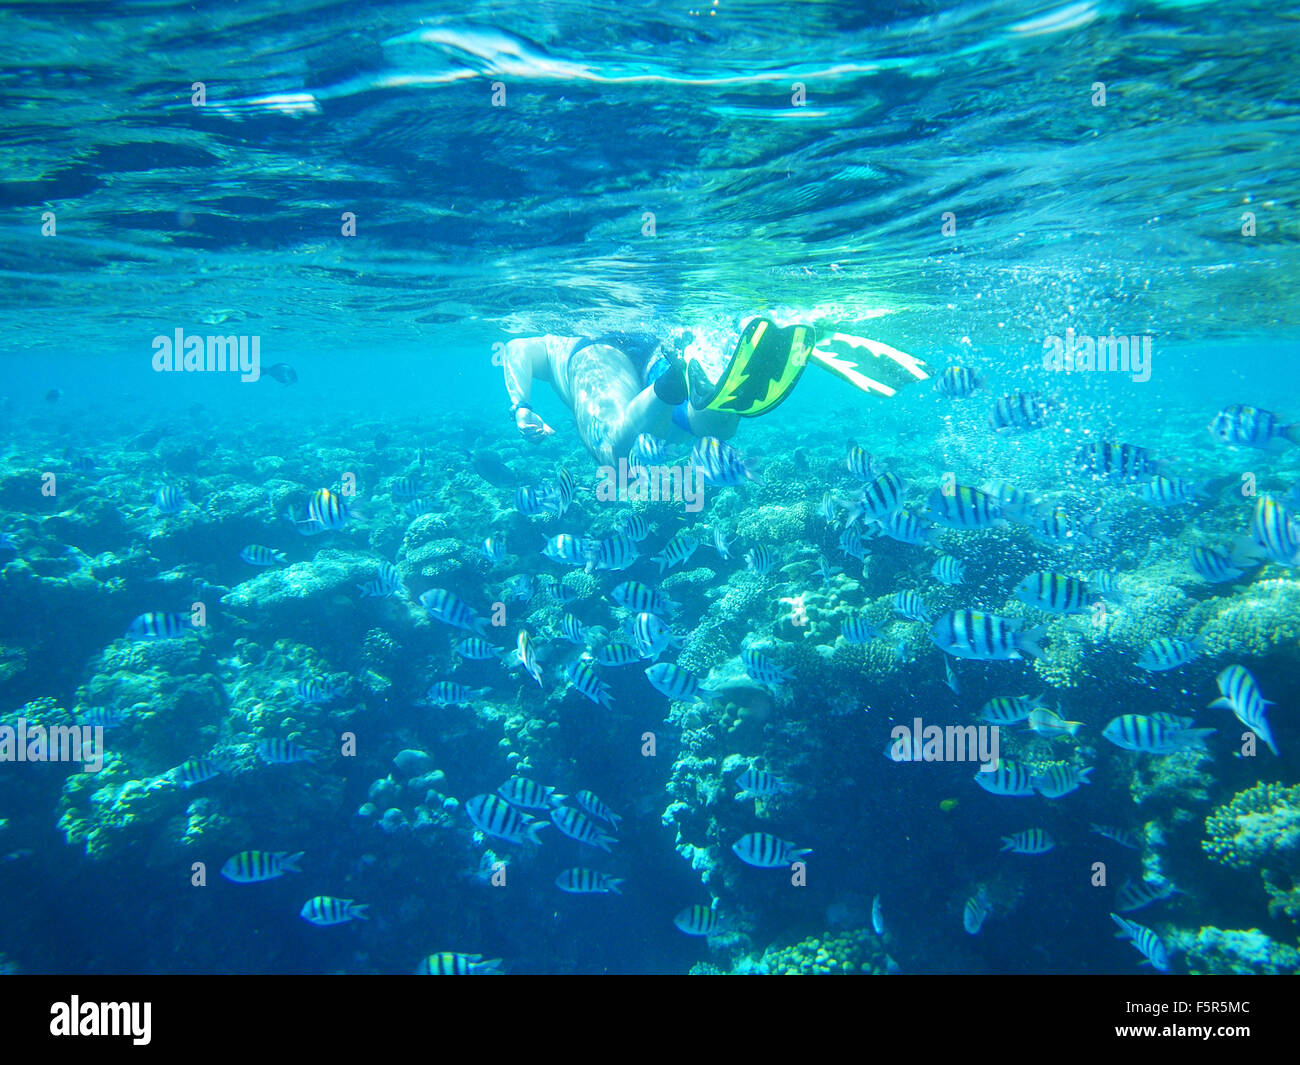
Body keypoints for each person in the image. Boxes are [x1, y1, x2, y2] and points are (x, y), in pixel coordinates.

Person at [502, 318, 930, 465]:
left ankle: (680, 375)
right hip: (653, 342)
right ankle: (702, 361)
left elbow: (515, 348)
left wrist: (521, 406)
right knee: (716, 428)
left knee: (613, 452)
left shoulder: (546, 342)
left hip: (594, 347)